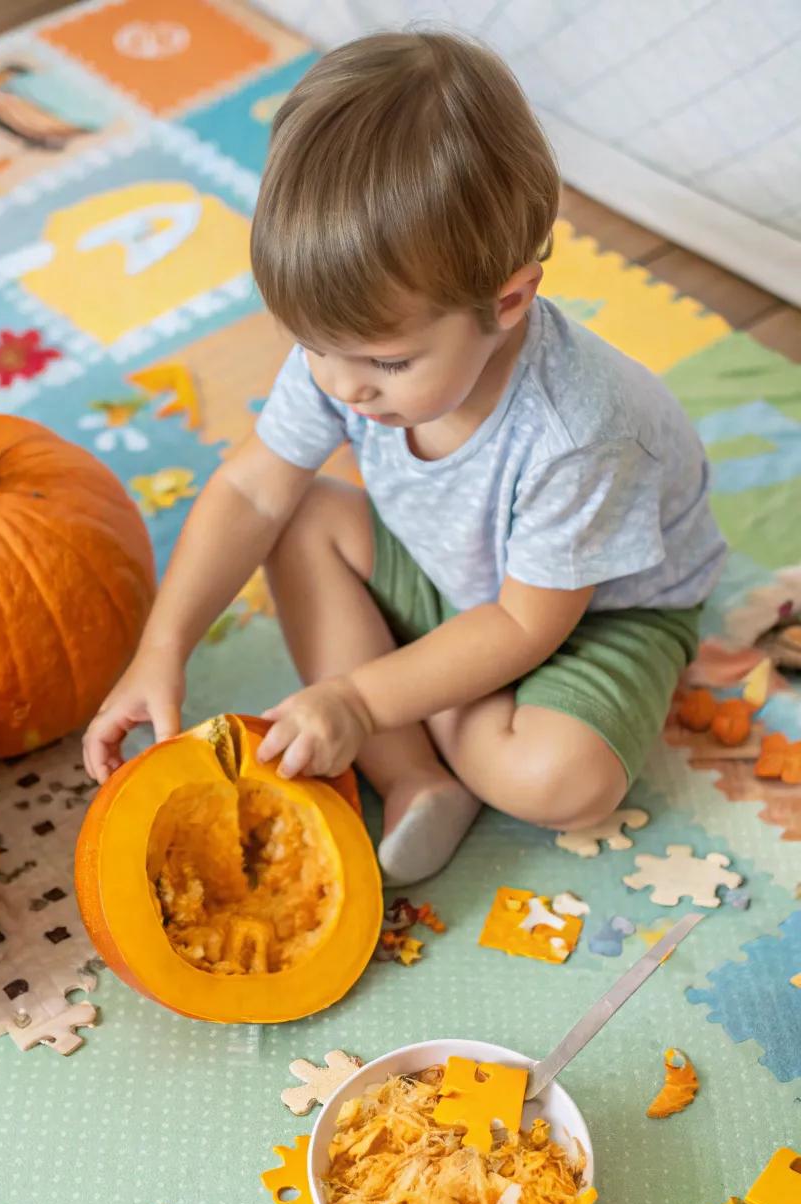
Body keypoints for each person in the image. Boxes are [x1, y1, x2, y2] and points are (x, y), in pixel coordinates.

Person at [83, 30, 725, 884]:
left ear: (508, 300)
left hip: (590, 613)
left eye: (387, 363)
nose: (343, 385)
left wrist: (357, 696)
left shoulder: (579, 432)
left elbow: (524, 624)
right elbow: (252, 491)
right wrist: (162, 648)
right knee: (298, 517)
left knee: (565, 781)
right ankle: (418, 777)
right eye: (313, 345)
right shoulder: (346, 358)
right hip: (449, 566)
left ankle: (414, 708)